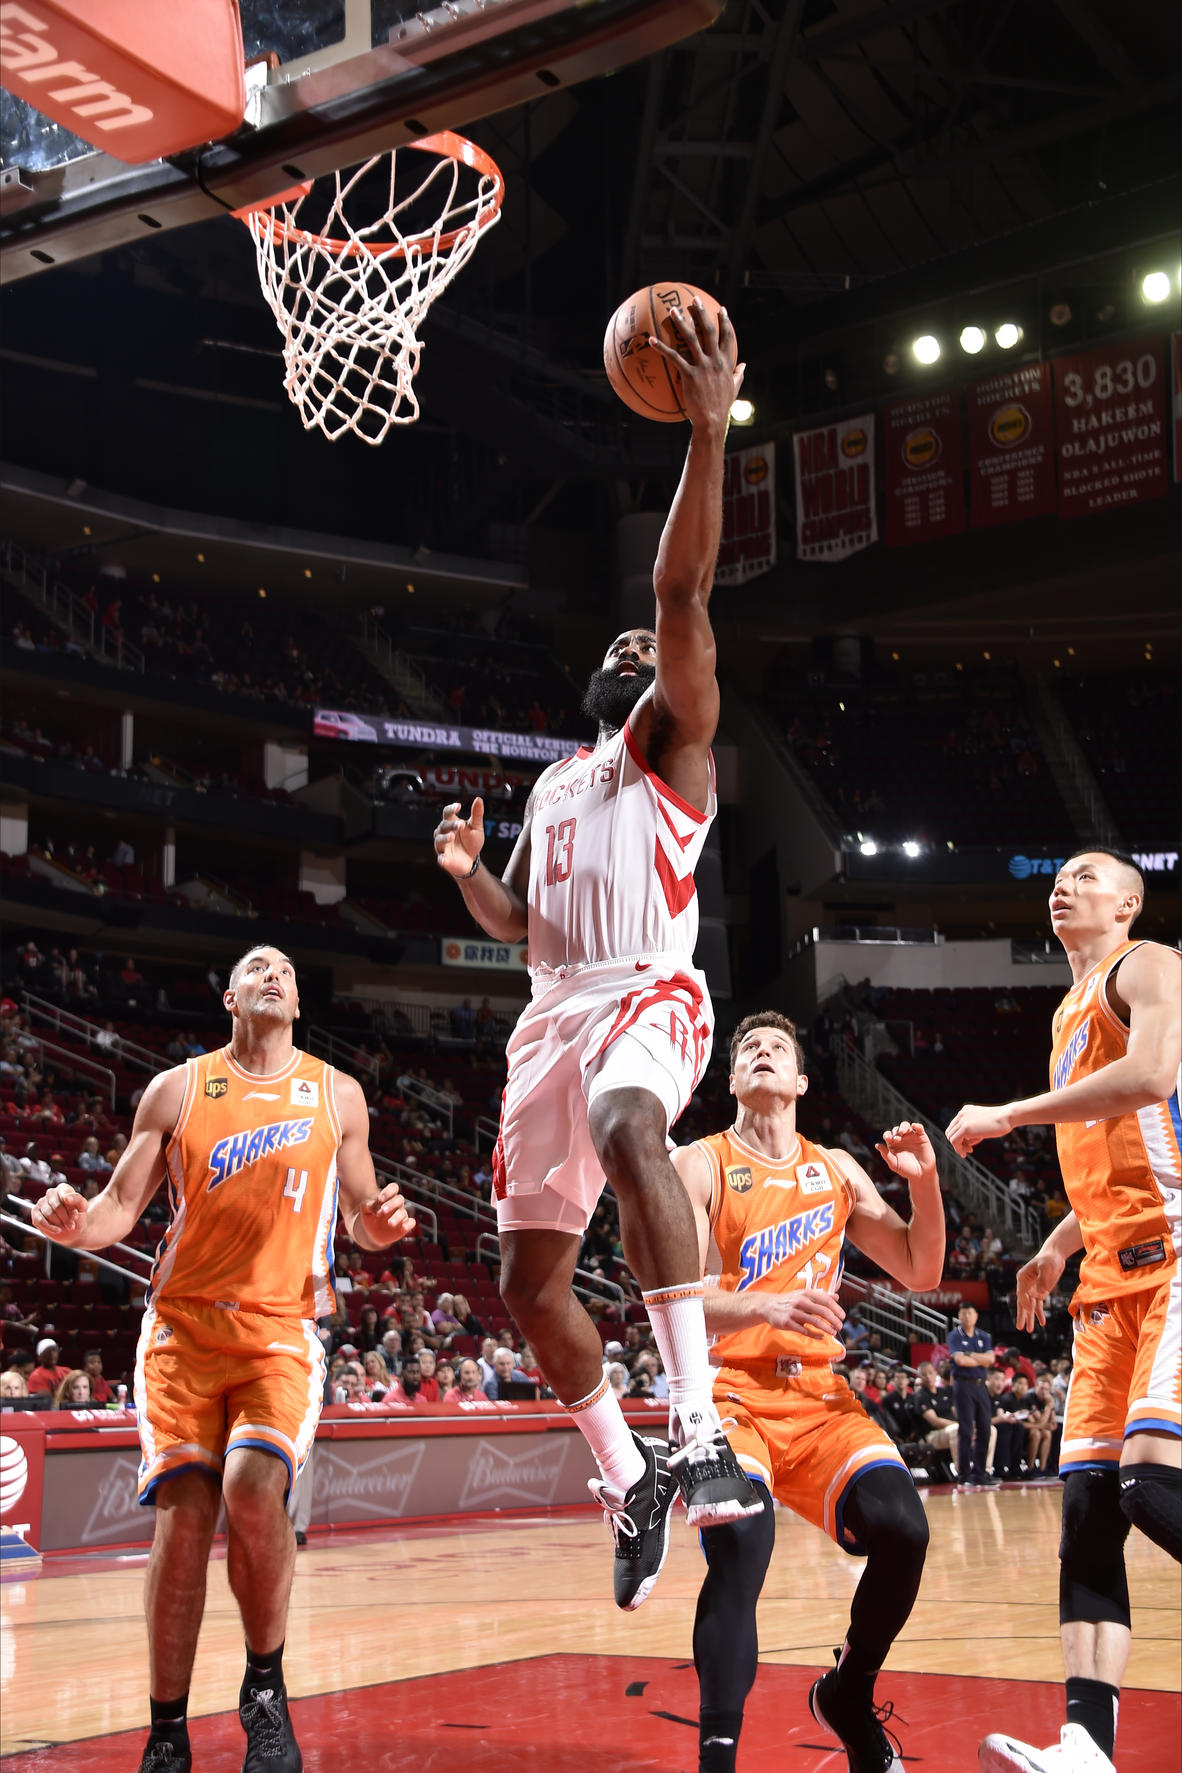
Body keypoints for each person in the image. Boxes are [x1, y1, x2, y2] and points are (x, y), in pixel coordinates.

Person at [432, 299, 759, 1611]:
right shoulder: (556, 787)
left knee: (636, 1124)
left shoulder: (667, 750)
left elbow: (678, 589)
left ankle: (697, 1429)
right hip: (547, 1011)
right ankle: (626, 1471)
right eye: (618, 650)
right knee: (524, 1283)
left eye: (649, 655)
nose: (637, 651)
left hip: (646, 993)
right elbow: (520, 926)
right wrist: (468, 880)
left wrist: (706, 431)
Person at [31, 943, 416, 1773]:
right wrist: (73, 1220)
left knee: (251, 1484)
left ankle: (265, 1691)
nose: (274, 973)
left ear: (299, 1002)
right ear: (230, 999)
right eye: (257, 967)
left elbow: (360, 1211)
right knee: (182, 1518)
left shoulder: (335, 1093)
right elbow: (117, 1210)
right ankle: (166, 1730)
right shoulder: (178, 1088)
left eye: (286, 968)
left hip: (279, 1330)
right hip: (180, 1332)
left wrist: (377, 1230)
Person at [947, 849, 1180, 1773]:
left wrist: (1011, 1112)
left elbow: (1154, 1078)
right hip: (1107, 1287)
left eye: (1088, 874)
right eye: (1061, 876)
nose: (1067, 884)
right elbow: (1109, 1156)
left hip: (1177, 1263)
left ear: (1127, 901)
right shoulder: (1062, 1012)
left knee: (1151, 1484)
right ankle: (1087, 1743)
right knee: (1086, 1509)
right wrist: (1055, 1244)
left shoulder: (1150, 964)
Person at [671, 1011, 944, 1773]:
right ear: (731, 1080)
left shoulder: (837, 1171)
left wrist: (925, 1186)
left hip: (820, 1399)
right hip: (725, 1392)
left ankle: (848, 1692)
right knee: (741, 1544)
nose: (763, 1053)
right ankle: (717, 1761)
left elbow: (921, 1269)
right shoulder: (701, 1164)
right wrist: (763, 1303)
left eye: (778, 1049)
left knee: (904, 1530)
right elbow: (678, 1296)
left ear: (799, 1081)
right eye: (748, 1048)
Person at [948, 1303, 998, 1489]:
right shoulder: (954, 1335)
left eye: (970, 1313)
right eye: (964, 1313)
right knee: (966, 1430)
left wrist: (971, 1355)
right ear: (959, 1316)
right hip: (963, 1385)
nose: (967, 1316)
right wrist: (980, 1358)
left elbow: (991, 1360)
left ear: (976, 1315)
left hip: (981, 1386)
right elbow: (959, 1360)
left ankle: (980, 1473)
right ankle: (964, 1475)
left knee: (985, 1428)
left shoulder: (983, 1336)